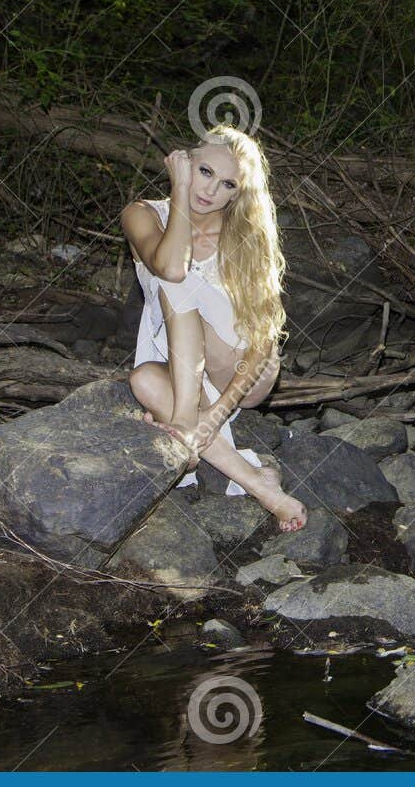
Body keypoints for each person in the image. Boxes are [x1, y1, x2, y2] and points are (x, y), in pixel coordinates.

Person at [121, 125, 306, 532]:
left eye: (227, 185)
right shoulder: (143, 214)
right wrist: (179, 191)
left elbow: (262, 340)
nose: (210, 192)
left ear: (238, 193)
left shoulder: (244, 233)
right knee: (143, 381)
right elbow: (170, 262)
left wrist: (216, 415)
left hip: (244, 366)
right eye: (204, 172)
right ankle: (256, 480)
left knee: (176, 283)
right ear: (184, 163)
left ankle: (186, 426)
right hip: (186, 363)